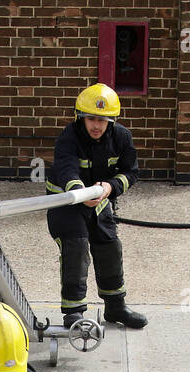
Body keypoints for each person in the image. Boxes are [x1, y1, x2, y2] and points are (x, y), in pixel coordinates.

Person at [46, 82, 147, 329]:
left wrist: (111, 187)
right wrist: (79, 191)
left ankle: (115, 306)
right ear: (80, 117)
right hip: (67, 203)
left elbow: (130, 172)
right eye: (91, 118)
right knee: (76, 248)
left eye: (103, 120)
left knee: (110, 247)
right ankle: (74, 313)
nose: (96, 125)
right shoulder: (69, 137)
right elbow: (66, 168)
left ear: (111, 120)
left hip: (100, 203)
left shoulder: (121, 137)